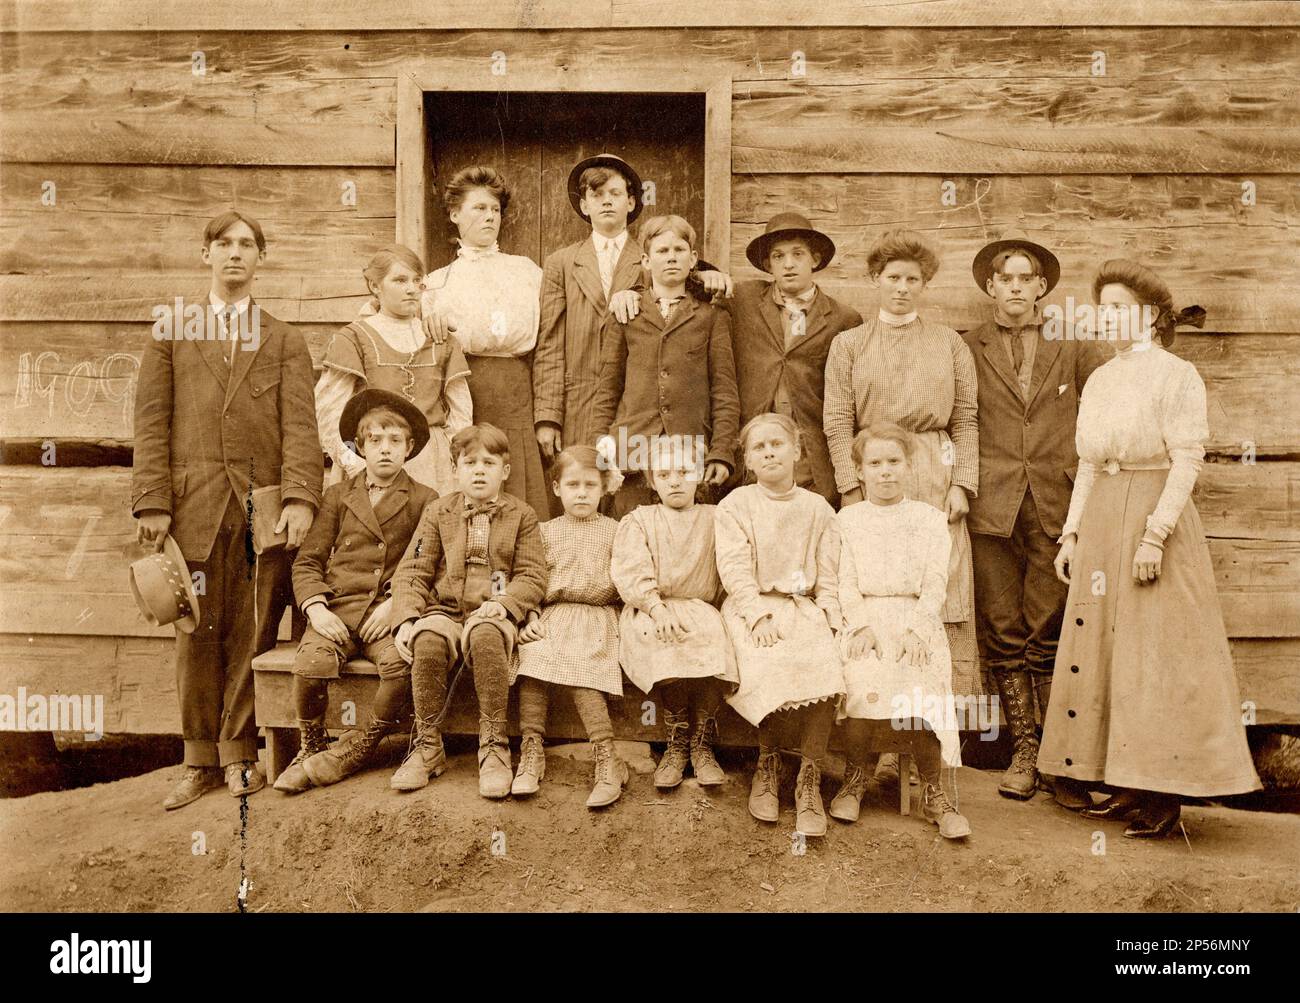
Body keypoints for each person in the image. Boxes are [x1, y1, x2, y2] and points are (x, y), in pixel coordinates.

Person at [1040, 259, 1260, 838]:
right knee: (1109, 648)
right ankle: (1125, 782)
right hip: (1103, 519)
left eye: (1121, 308)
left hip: (1152, 517)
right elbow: (1089, 464)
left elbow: (1186, 459)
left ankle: (1164, 795)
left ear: (1152, 316)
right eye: (1104, 308)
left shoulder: (1176, 374)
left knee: (1156, 652)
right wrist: (1072, 534)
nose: (1109, 317)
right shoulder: (1101, 378)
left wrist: (1155, 535)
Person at [133, 210, 322, 810]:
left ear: (260, 258)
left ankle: (241, 755)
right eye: (224, 243)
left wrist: (299, 498)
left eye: (246, 244)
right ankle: (198, 761)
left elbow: (301, 427)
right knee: (194, 633)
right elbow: (151, 423)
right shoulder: (171, 332)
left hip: (258, 511)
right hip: (191, 508)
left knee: (251, 629)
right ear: (206, 255)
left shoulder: (284, 339)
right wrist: (153, 502)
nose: (235, 253)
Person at [822, 228, 980, 792]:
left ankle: (921, 750)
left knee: (934, 598)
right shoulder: (849, 344)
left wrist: (962, 482)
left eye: (913, 279)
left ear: (924, 284)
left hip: (933, 472)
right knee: (871, 591)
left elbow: (965, 418)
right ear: (876, 280)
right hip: (873, 469)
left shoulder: (949, 343)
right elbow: (837, 421)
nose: (903, 288)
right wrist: (851, 486)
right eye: (893, 278)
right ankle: (871, 749)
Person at [961, 230, 1101, 806]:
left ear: (1041, 287)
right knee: (1002, 625)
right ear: (990, 287)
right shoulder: (967, 346)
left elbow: (1103, 413)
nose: (1016, 288)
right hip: (990, 503)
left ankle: (1058, 761)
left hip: (1055, 501)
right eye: (1006, 279)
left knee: (1051, 622)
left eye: (1026, 279)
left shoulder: (1075, 344)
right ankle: (1023, 750)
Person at [533, 153, 729, 508]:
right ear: (584, 205)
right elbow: (549, 342)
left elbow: (678, 280)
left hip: (641, 409)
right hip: (579, 403)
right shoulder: (561, 262)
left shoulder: (650, 254)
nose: (606, 201)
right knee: (585, 496)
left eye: (615, 193)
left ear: (632, 201)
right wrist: (548, 415)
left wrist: (710, 277)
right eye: (596, 195)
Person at [273, 390, 436, 793]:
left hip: (385, 613)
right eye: (375, 440)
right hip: (338, 610)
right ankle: (312, 746)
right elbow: (308, 562)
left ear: (409, 448)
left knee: (400, 666)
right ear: (359, 447)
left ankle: (359, 749)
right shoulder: (337, 497)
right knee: (310, 664)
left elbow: (427, 565)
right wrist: (316, 609)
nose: (385, 449)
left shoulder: (424, 500)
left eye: (395, 441)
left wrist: (397, 605)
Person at [389, 424, 548, 798]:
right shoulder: (438, 512)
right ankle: (428, 745)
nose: (479, 471)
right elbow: (413, 569)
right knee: (427, 639)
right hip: (444, 609)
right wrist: (407, 619)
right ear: (455, 469)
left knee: (486, 633)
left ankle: (493, 745)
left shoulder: (521, 515)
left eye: (488, 463)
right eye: (470, 463)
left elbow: (532, 574)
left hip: (492, 610)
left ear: (504, 471)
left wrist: (505, 604)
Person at [828, 424, 970, 839]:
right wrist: (860, 626)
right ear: (860, 471)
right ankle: (856, 778)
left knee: (919, 678)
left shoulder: (929, 520)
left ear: (909, 466)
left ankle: (933, 791)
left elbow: (936, 584)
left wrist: (917, 630)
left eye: (894, 461)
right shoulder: (847, 520)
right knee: (860, 673)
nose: (885, 471)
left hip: (915, 619)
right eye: (875, 463)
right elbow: (845, 582)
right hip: (865, 617)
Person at [715, 413, 844, 837]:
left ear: (797, 450)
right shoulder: (736, 505)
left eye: (777, 444)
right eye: (759, 447)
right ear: (748, 460)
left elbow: (828, 576)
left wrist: (832, 618)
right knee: (769, 658)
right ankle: (767, 764)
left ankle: (809, 776)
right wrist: (757, 615)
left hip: (801, 605)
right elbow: (734, 569)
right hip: (751, 605)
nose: (769, 453)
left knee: (827, 660)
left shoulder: (817, 508)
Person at [420, 166, 551, 517]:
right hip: (463, 389)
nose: (490, 216)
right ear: (455, 214)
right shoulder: (436, 283)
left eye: (495, 209)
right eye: (479, 208)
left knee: (515, 479)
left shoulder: (526, 272)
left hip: (515, 389)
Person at [590, 214, 740, 517]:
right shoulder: (627, 312)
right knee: (631, 527)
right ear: (646, 261)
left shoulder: (712, 316)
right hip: (632, 450)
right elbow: (607, 388)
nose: (671, 257)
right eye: (662, 251)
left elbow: (724, 391)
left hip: (690, 450)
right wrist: (599, 448)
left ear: (693, 258)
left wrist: (722, 452)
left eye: (679, 250)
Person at [611, 438, 737, 789]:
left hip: (700, 606)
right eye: (664, 475)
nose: (675, 481)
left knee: (711, 633)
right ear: (653, 481)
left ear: (699, 475)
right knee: (662, 637)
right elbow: (631, 571)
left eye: (684, 472)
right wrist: (655, 607)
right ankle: (677, 740)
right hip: (652, 607)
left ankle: (701, 743)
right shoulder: (640, 520)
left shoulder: (716, 518)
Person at [512, 446, 627, 808]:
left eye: (590, 485)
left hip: (597, 616)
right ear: (556, 488)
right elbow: (530, 578)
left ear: (603, 488)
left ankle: (606, 755)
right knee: (533, 659)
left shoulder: (616, 531)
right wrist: (530, 617)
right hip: (552, 615)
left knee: (583, 665)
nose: (581, 493)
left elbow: (627, 581)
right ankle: (532, 748)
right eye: (573, 485)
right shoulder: (544, 532)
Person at [724, 212, 862, 504]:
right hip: (754, 452)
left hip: (810, 456)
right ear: (768, 265)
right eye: (778, 256)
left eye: (798, 254)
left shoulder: (843, 319)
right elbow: (686, 283)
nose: (788, 264)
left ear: (815, 259)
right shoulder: (743, 299)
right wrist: (706, 273)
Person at [317, 245, 471, 495]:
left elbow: (461, 414)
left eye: (417, 281)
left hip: (432, 463)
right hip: (372, 454)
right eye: (400, 280)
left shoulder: (441, 339)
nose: (412, 289)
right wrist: (356, 463)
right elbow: (330, 413)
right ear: (375, 286)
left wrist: (454, 462)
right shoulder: (354, 338)